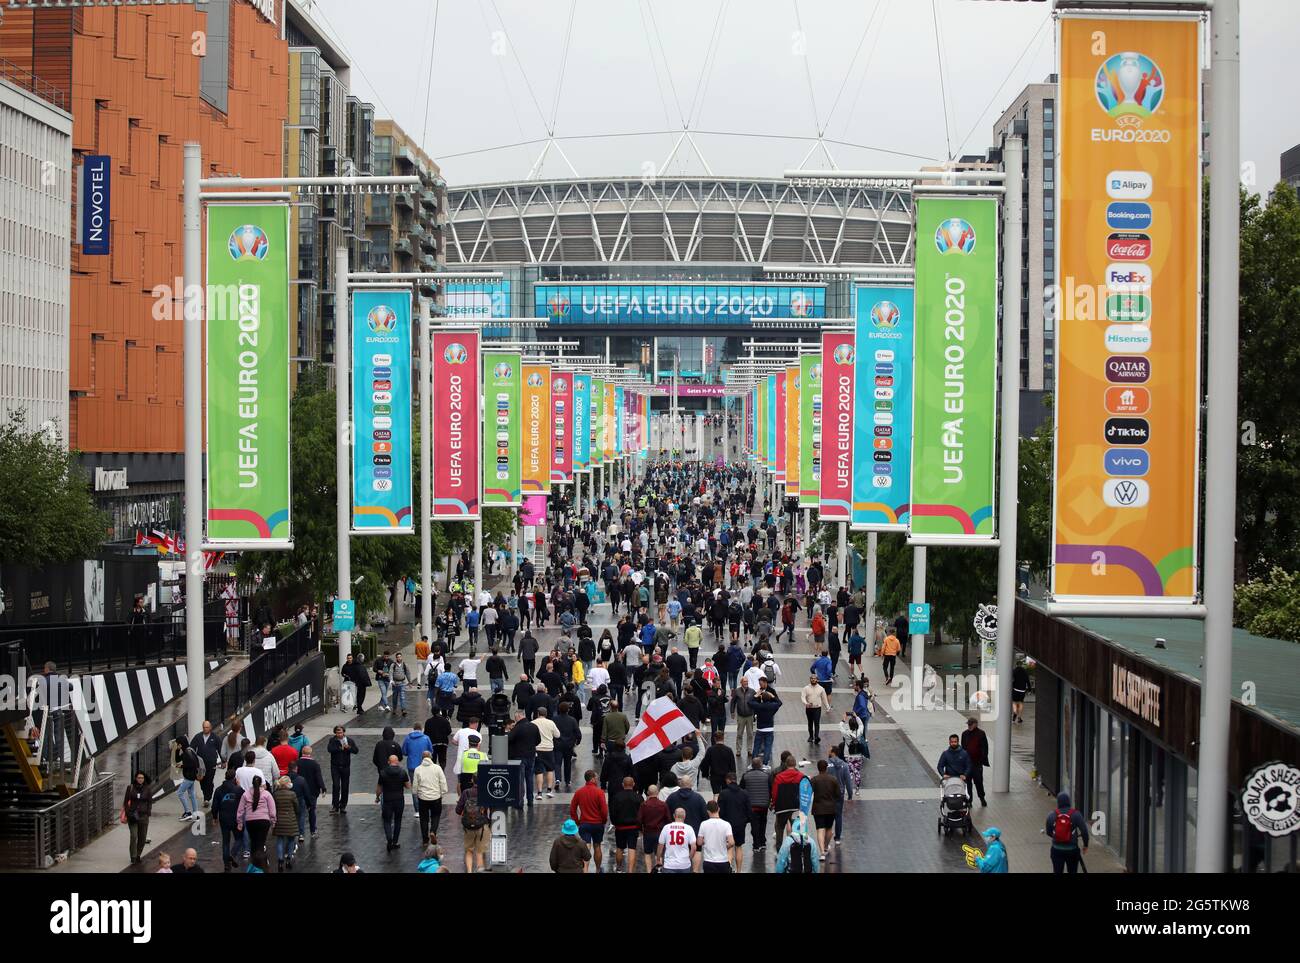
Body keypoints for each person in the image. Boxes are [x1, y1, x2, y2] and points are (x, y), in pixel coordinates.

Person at [570, 769, 609, 873]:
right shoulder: (599, 792)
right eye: (596, 778)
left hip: (584, 823)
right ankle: (597, 869)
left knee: (586, 847)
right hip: (597, 824)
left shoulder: (579, 792)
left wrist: (577, 821)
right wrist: (603, 820)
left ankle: (585, 870)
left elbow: (572, 808)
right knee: (597, 846)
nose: (597, 780)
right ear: (592, 779)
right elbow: (604, 810)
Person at [211, 767, 246, 871]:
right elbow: (245, 801)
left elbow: (215, 806)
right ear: (235, 778)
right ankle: (233, 853)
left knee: (225, 841)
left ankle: (226, 864)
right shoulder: (239, 790)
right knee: (239, 839)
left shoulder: (218, 790)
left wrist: (214, 817)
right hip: (236, 818)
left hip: (224, 819)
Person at [235, 775, 276, 863]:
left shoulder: (245, 794)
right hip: (264, 821)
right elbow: (272, 810)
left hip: (250, 821)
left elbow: (240, 810)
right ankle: (262, 863)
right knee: (261, 842)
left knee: (253, 842)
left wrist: (240, 822)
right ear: (261, 783)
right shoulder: (266, 794)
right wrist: (273, 821)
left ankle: (254, 862)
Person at [1046, 792, 1090, 874]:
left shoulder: (1052, 815)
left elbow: (1048, 832)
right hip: (1072, 850)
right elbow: (1084, 831)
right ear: (1068, 802)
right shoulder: (1076, 814)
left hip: (1056, 850)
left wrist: (1058, 837)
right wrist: (1085, 845)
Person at [412, 750, 449, 844]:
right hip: (436, 797)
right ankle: (433, 831)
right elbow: (443, 781)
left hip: (423, 798)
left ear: (422, 758)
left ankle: (425, 839)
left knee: (424, 819)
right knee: (435, 816)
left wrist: (415, 792)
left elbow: (415, 784)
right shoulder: (437, 768)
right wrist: (443, 792)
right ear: (431, 757)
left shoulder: (418, 769)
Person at [376, 753, 410, 853]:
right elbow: (408, 786)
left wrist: (377, 797)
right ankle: (395, 841)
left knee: (387, 821)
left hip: (387, 800)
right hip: (399, 799)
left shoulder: (383, 773)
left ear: (388, 762)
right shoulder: (403, 772)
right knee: (398, 820)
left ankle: (389, 839)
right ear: (397, 762)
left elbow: (379, 788)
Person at [739, 755, 773, 852]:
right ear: (761, 765)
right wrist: (770, 801)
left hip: (751, 806)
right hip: (764, 805)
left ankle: (756, 844)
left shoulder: (746, 776)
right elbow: (771, 790)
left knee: (754, 825)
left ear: (752, 766)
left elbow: (741, 789)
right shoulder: (766, 776)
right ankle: (763, 842)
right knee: (763, 823)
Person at [609, 776, 643, 873]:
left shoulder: (617, 797)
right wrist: (640, 826)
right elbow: (641, 814)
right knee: (632, 848)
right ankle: (630, 870)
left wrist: (615, 823)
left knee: (619, 847)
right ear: (633, 784)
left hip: (620, 827)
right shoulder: (639, 798)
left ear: (623, 785)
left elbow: (613, 812)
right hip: (633, 827)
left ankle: (619, 867)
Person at [717, 771, 750, 871]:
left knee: (729, 847)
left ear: (728, 780)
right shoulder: (744, 793)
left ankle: (729, 868)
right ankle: (739, 870)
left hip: (727, 824)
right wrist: (745, 820)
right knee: (739, 847)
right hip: (740, 824)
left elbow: (720, 811)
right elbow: (749, 810)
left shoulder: (723, 793)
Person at [455, 780, 490, 873]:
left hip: (468, 827)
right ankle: (479, 869)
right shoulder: (485, 791)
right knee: (480, 851)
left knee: (469, 851)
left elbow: (458, 810)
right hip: (482, 826)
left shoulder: (466, 792)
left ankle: (469, 871)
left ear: (471, 780)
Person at [809, 759, 841, 859]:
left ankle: (822, 852)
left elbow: (809, 792)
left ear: (818, 768)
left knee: (820, 829)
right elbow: (838, 794)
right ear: (826, 768)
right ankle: (826, 846)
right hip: (830, 808)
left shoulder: (814, 780)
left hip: (818, 809)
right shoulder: (833, 779)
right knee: (829, 829)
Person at [638, 784, 671, 874]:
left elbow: (639, 820)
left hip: (648, 832)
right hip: (660, 832)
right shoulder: (663, 805)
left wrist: (641, 830)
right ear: (658, 792)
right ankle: (659, 869)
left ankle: (649, 871)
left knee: (647, 853)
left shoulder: (644, 805)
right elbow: (668, 819)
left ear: (648, 793)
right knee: (659, 853)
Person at [697, 799, 735, 873]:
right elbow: (731, 842)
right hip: (723, 861)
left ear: (707, 811)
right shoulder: (726, 824)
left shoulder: (703, 824)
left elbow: (699, 842)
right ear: (719, 809)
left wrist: (706, 842)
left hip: (708, 861)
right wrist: (725, 846)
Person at [123, 770, 153, 865]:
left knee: (142, 837)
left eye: (142, 778)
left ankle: (138, 854)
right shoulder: (130, 788)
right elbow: (125, 802)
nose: (140, 779)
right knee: (134, 836)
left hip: (144, 816)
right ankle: (133, 856)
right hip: (133, 816)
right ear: (136, 778)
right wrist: (128, 813)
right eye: (139, 778)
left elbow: (149, 802)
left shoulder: (147, 788)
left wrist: (148, 812)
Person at [327, 725, 358, 814]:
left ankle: (343, 805)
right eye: (337, 732)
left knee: (345, 786)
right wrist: (339, 748)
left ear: (344, 732)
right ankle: (335, 805)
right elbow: (329, 749)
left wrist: (349, 748)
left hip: (345, 766)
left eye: (340, 732)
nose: (339, 734)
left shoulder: (349, 740)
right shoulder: (332, 740)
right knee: (336, 786)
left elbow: (356, 750)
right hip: (335, 766)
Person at [656, 807, 698, 873]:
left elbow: (660, 846)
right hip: (684, 865)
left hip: (669, 865)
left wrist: (658, 859)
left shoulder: (666, 827)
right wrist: (688, 858)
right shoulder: (689, 828)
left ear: (674, 816)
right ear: (684, 816)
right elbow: (694, 848)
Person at [271, 775, 300, 871]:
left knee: (280, 840)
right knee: (291, 840)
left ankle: (280, 861)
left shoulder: (275, 794)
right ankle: (288, 859)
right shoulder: (292, 794)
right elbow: (297, 808)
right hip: (290, 820)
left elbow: (273, 807)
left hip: (279, 820)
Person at [960, 717, 990, 807]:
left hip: (977, 763)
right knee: (968, 782)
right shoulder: (964, 734)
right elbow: (963, 747)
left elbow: (985, 748)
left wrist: (982, 759)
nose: (969, 726)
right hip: (967, 764)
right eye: (968, 724)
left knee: (978, 781)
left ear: (975, 724)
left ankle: (982, 798)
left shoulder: (981, 734)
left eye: (970, 724)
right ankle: (969, 800)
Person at [190, 720, 221, 804]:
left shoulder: (215, 737)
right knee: (202, 780)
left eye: (207, 727)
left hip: (211, 763)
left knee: (209, 780)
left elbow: (220, 749)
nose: (205, 729)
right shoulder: (198, 737)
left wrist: (223, 761)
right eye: (204, 727)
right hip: (200, 764)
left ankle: (207, 798)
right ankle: (205, 794)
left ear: (210, 727)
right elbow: (191, 748)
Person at [801, 674, 831, 745]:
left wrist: (827, 707)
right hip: (809, 708)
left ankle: (816, 736)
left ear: (817, 680)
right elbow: (803, 697)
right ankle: (811, 736)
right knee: (810, 722)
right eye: (812, 678)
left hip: (817, 708)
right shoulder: (806, 688)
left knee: (817, 723)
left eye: (814, 679)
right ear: (810, 679)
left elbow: (824, 698)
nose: (813, 680)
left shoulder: (821, 689)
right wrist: (806, 703)